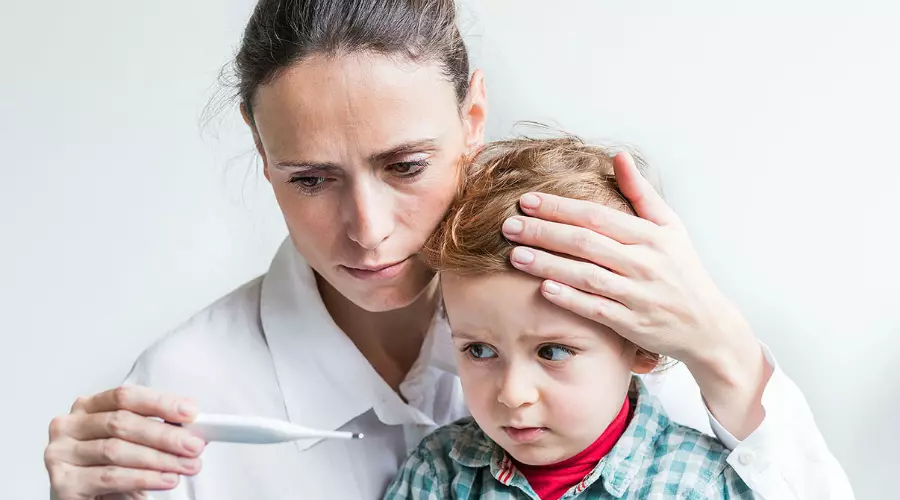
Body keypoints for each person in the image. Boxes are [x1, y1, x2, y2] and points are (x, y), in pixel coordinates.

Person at [43, 1, 852, 499]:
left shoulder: (591, 298)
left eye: (405, 166)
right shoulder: (182, 397)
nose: (369, 228)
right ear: (262, 156)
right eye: (312, 178)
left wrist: (721, 348)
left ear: (473, 120)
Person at [385, 136, 755, 499]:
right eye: (479, 350)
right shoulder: (437, 472)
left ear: (643, 346)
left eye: (553, 352)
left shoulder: (700, 486)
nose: (513, 395)